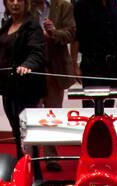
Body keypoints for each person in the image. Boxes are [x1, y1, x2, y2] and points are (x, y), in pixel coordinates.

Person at [0, 0, 48, 157]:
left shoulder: (32, 26)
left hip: (27, 90)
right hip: (8, 89)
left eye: (19, 0)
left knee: (27, 136)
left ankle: (34, 175)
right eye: (11, 0)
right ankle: (23, 171)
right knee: (16, 133)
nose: (15, 3)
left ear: (26, 3)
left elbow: (37, 53)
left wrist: (28, 65)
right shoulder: (6, 26)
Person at [37, 0, 78, 171]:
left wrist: (54, 32)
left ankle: (50, 157)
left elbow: (71, 34)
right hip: (33, 68)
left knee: (51, 114)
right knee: (31, 113)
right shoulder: (24, 6)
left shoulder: (63, 6)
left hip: (55, 68)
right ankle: (28, 157)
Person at [75, 0, 117, 84]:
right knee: (92, 95)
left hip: (113, 63)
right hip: (91, 64)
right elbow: (75, 38)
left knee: (113, 95)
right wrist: (74, 66)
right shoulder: (81, 5)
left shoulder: (115, 4)